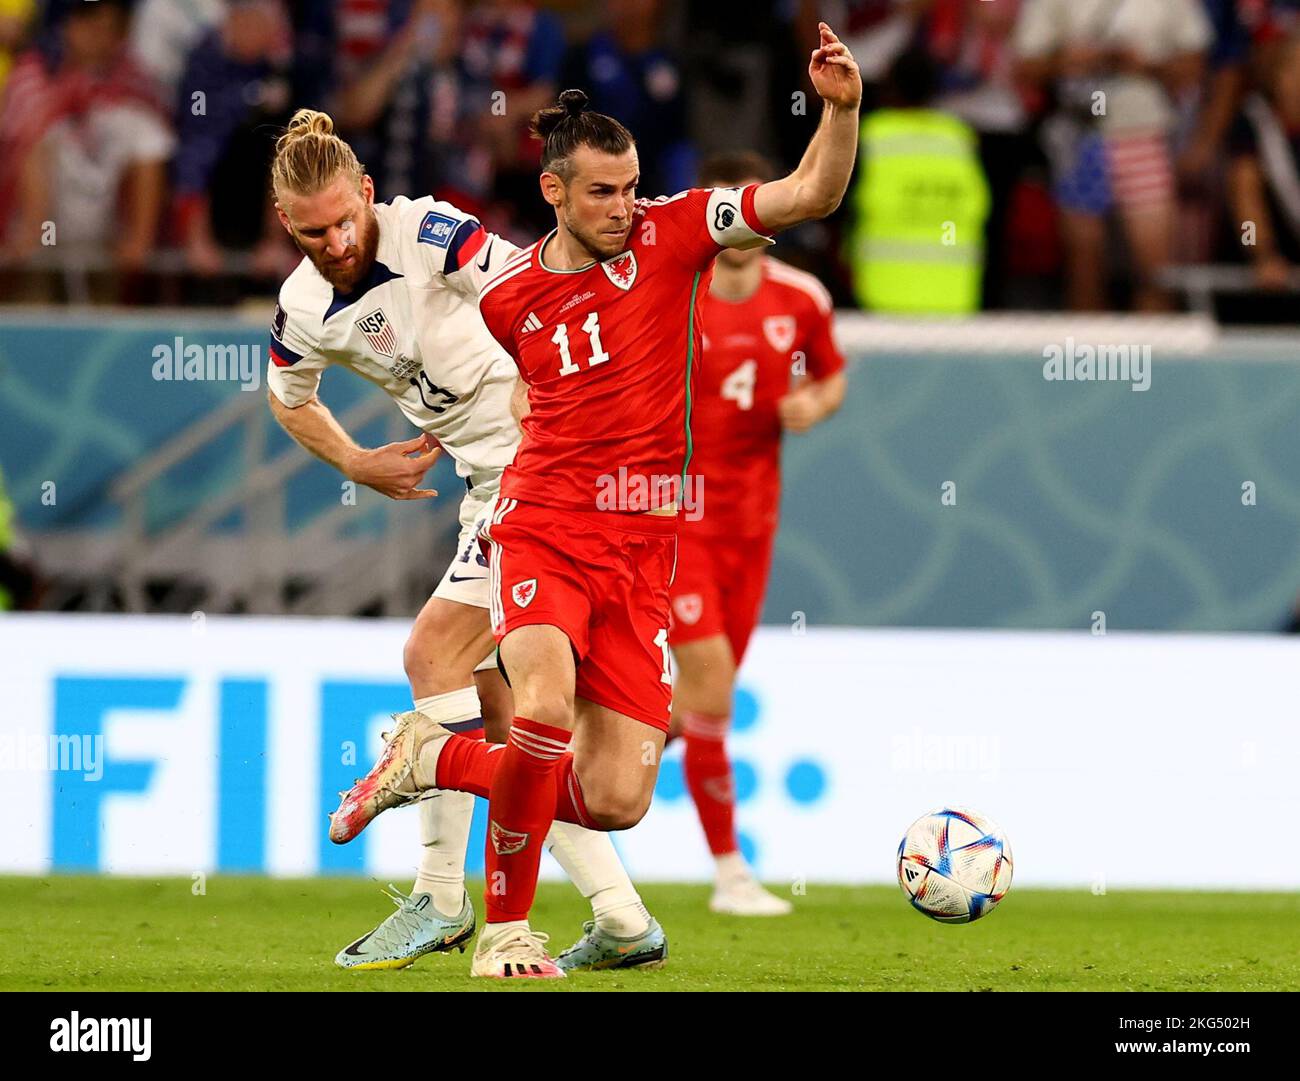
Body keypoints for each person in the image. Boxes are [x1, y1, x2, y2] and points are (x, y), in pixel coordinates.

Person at [330, 22, 862, 980]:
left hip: (643, 554)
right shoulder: (510, 298)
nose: (626, 208)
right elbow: (527, 398)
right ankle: (506, 934)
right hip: (544, 529)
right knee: (538, 710)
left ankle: (434, 759)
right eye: (604, 193)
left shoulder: (678, 232)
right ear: (555, 191)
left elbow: (812, 191)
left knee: (615, 796)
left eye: (631, 187)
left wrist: (840, 109)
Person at [267, 108, 665, 973]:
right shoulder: (301, 306)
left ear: (368, 193)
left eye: (344, 218)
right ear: (286, 226)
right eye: (312, 231)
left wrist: (542, 376)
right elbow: (287, 394)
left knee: (433, 655)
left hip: (537, 473)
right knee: (512, 725)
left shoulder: (429, 231)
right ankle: (621, 915)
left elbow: (527, 279)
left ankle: (442, 895)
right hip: (484, 484)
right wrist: (357, 460)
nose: (334, 239)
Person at [668, 151, 846, 915]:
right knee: (709, 684)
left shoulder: (801, 300)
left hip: (752, 524)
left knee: (689, 709)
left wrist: (816, 404)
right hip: (675, 520)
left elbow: (830, 374)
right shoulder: (675, 298)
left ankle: (558, 795)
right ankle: (730, 873)